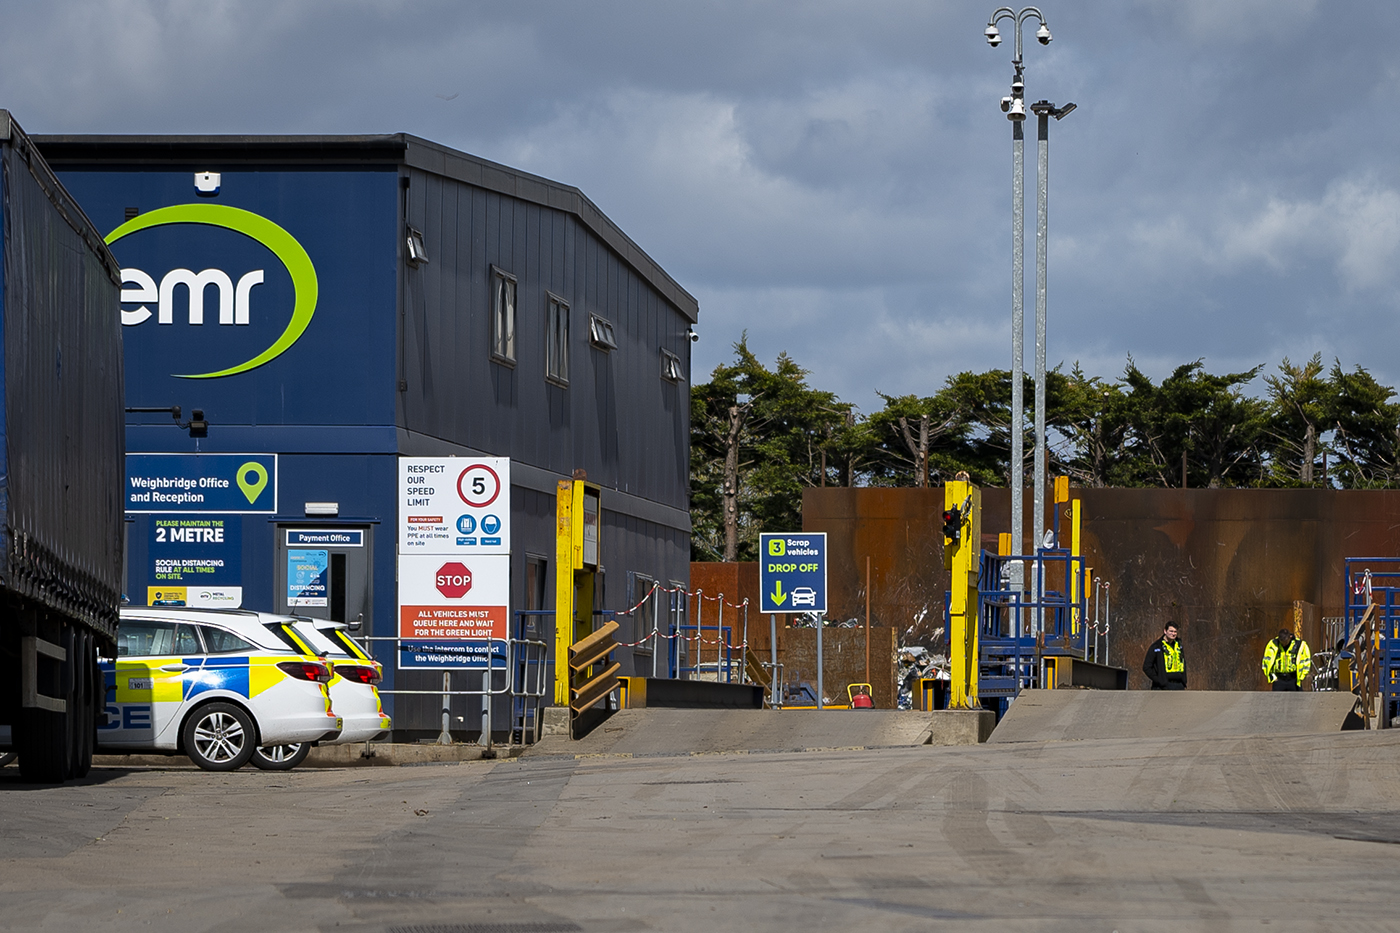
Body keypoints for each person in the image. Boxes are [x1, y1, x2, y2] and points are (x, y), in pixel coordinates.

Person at [1142, 623, 1186, 690]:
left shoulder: (1179, 645)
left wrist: (1183, 681)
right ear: (1165, 631)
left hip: (1179, 684)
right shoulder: (1157, 646)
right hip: (1163, 686)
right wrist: (1160, 680)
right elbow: (1146, 667)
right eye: (1171, 631)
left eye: (1175, 632)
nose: (1173, 634)